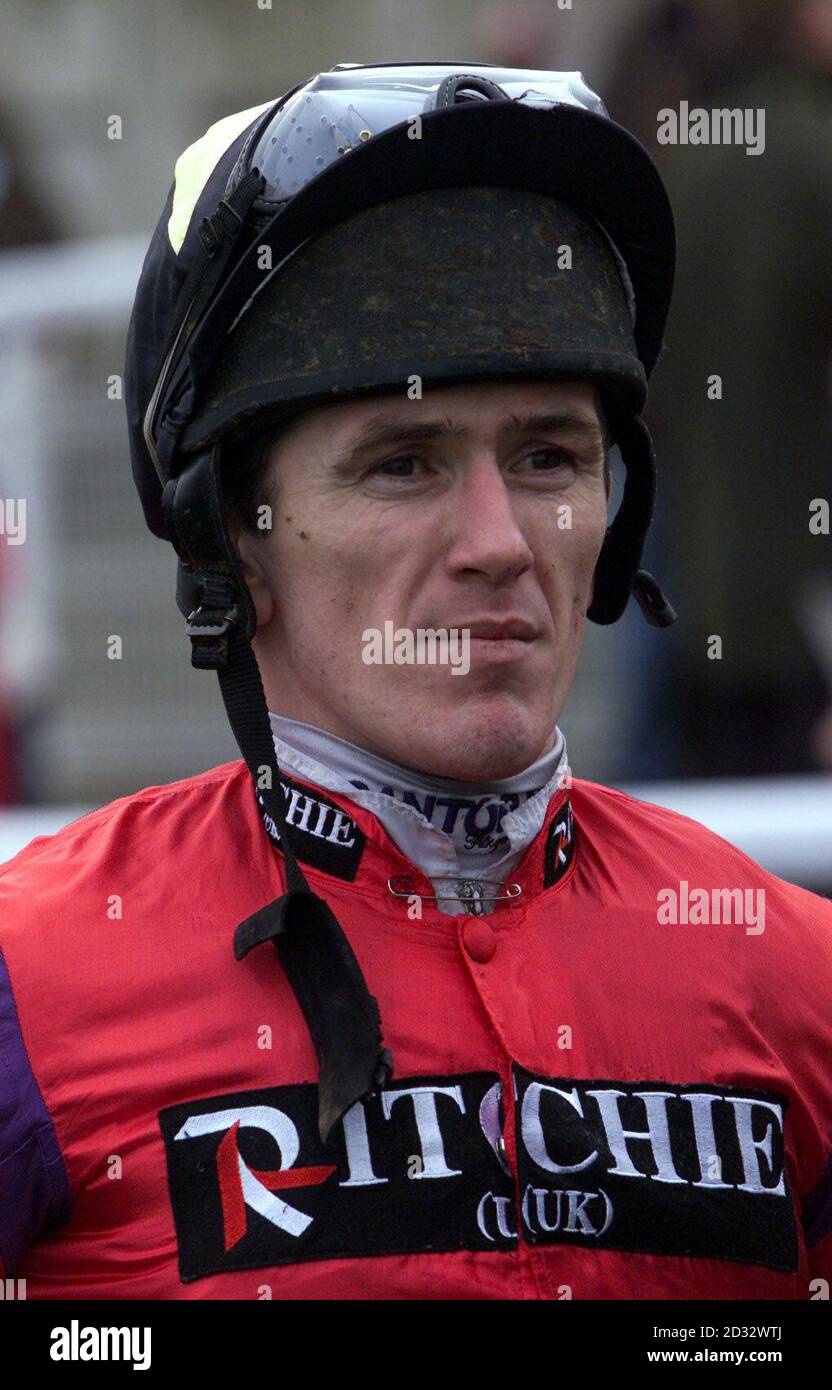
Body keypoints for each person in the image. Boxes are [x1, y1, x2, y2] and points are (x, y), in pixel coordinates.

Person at [0, 63, 830, 1301]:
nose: (499, 542)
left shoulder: (796, 975)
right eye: (402, 464)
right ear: (231, 540)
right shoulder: (29, 981)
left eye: (548, 456)